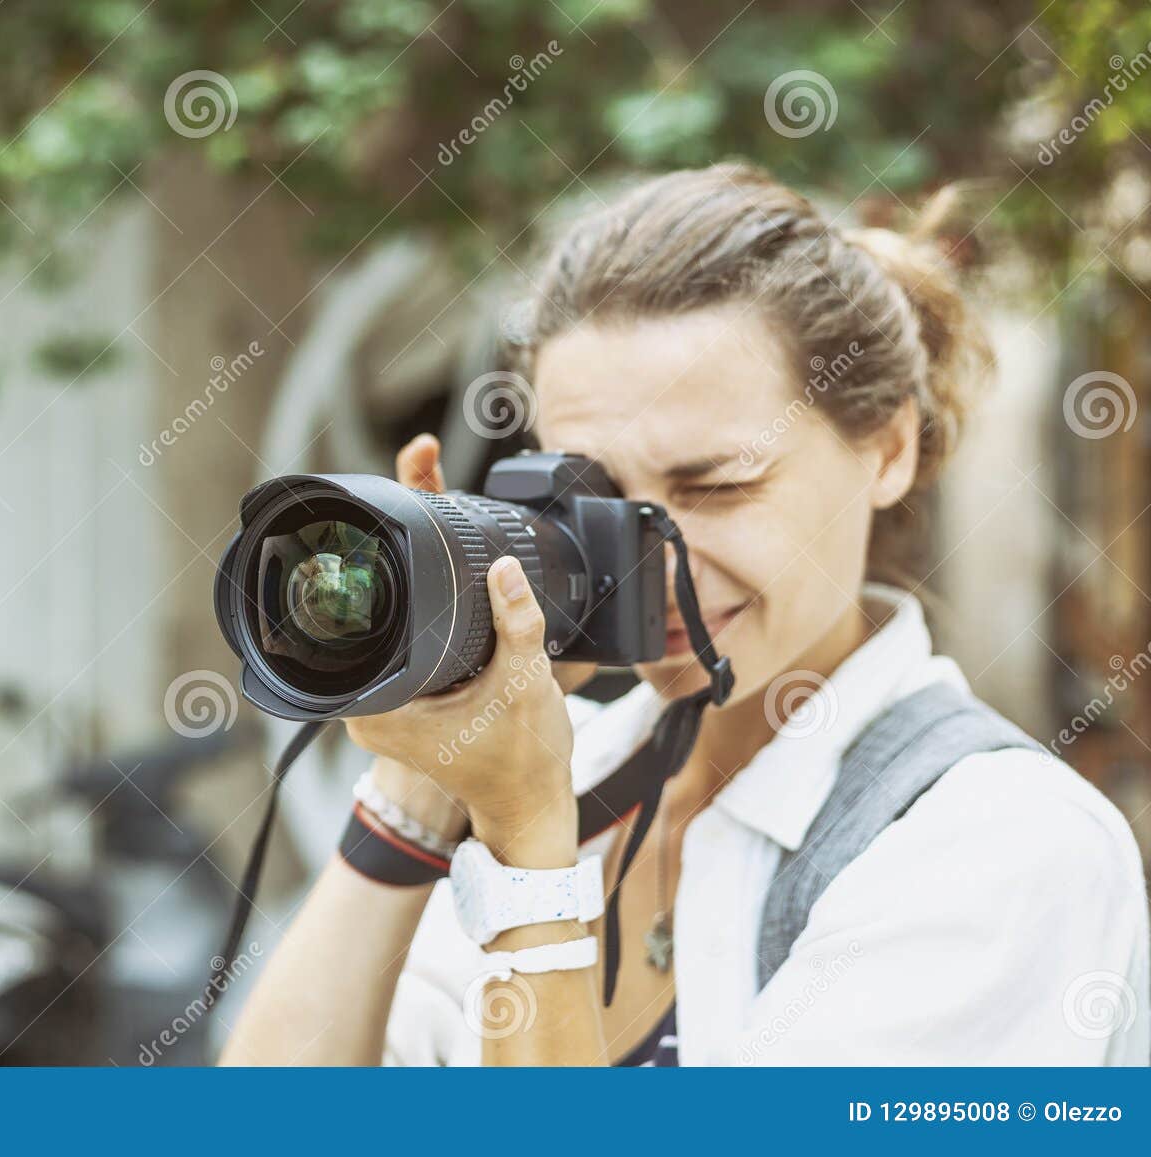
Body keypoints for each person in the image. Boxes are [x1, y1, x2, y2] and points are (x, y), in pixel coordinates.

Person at [218, 164, 1150, 1066]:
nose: (648, 560)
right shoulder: (560, 772)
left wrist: (531, 852)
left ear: (889, 447)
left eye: (715, 486)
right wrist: (424, 772)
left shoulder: (1000, 845)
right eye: (593, 496)